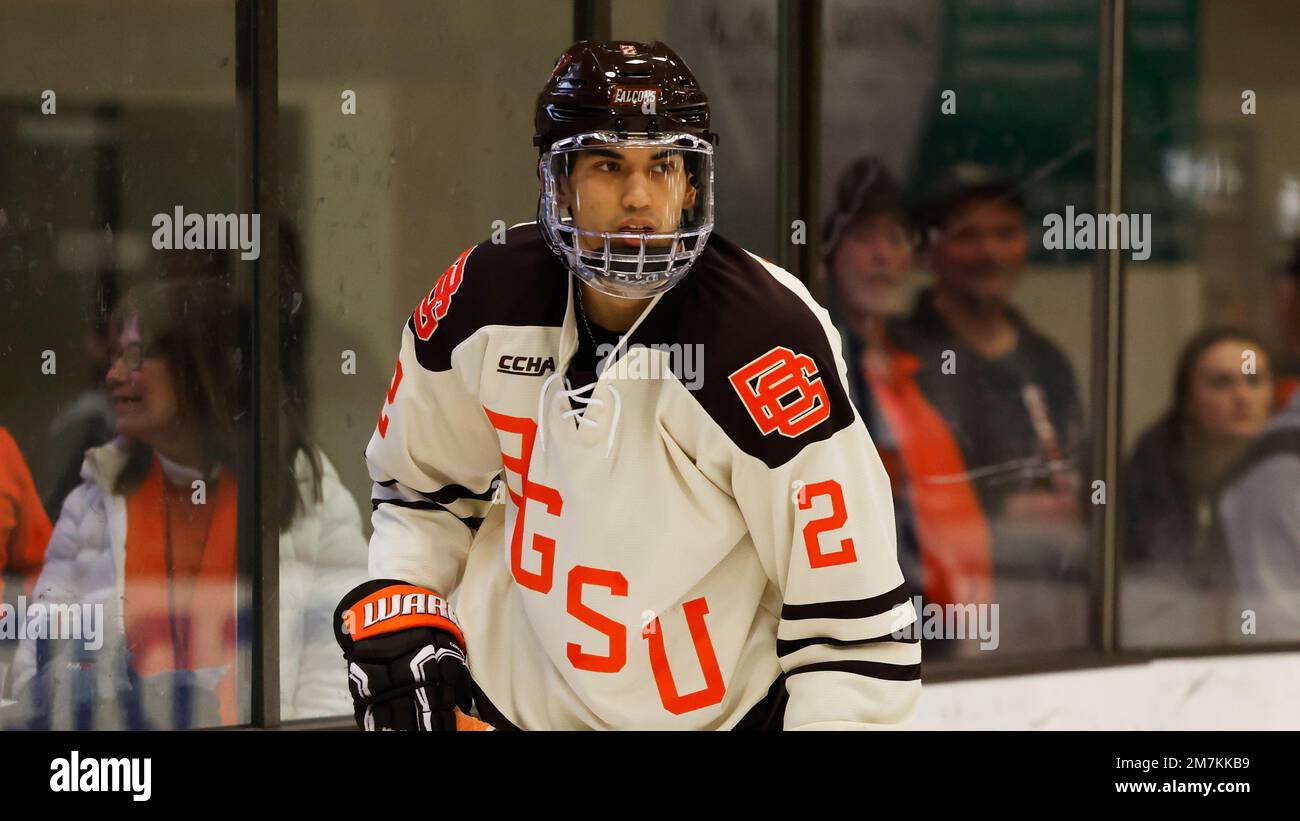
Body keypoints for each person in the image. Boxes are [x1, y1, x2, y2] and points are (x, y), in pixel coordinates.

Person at [334, 40, 920, 731]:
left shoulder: (767, 344)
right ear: (559, 183)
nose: (639, 196)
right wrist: (408, 598)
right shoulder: (479, 302)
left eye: (662, 165)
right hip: (508, 709)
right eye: (608, 165)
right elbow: (420, 492)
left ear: (693, 185)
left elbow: (851, 633)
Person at [11, 279, 365, 728]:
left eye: (135, 356)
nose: (114, 375)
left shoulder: (306, 492)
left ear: (198, 367)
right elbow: (35, 674)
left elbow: (337, 680)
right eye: (115, 356)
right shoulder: (91, 501)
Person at [893, 167, 1089, 653]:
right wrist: (997, 510)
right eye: (968, 237)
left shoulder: (1047, 360)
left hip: (1051, 603)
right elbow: (889, 488)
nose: (991, 253)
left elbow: (1085, 467)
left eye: (1005, 234)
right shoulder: (897, 356)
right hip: (936, 614)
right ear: (928, 251)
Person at [819, 157, 993, 633]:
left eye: (896, 238)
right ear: (828, 256)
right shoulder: (817, 364)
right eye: (863, 238)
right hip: (875, 614)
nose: (882, 255)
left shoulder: (932, 364)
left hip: (956, 617)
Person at [1218, 247, 1300, 642]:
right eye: (1222, 383)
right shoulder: (1278, 469)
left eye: (1252, 381)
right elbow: (1278, 634)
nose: (1241, 398)